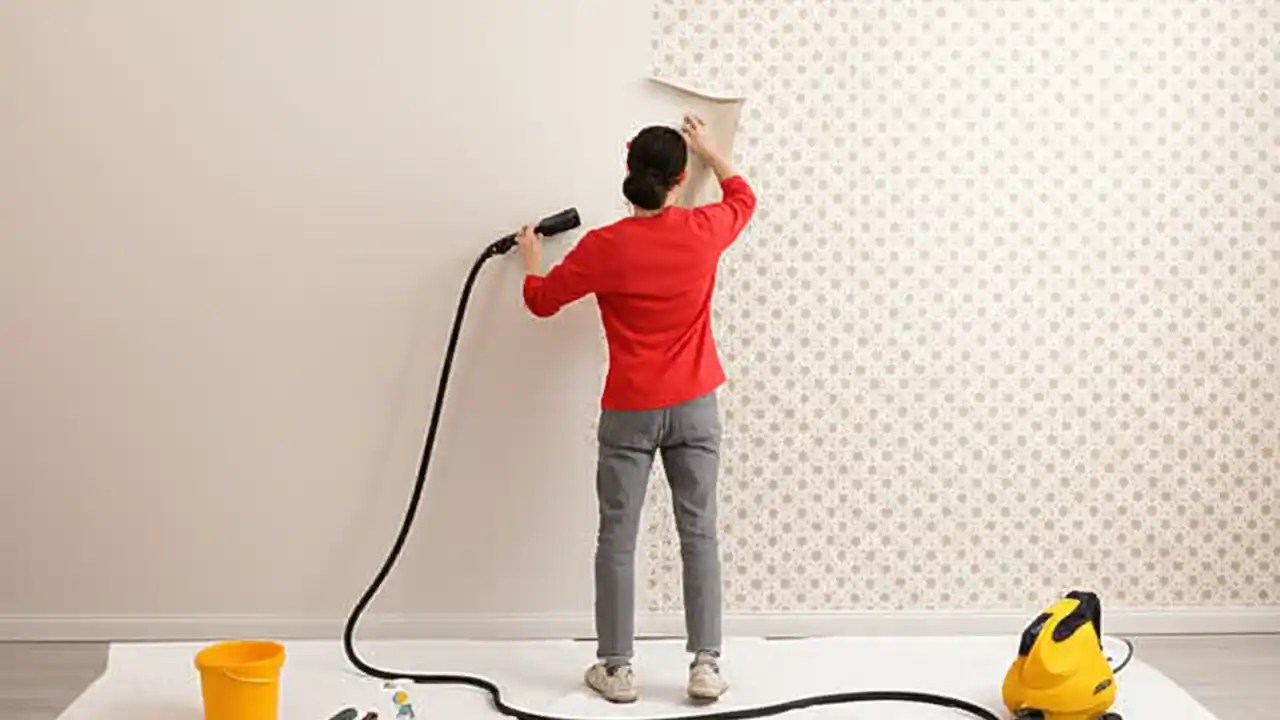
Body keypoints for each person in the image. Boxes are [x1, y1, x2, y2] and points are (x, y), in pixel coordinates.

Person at [514, 112, 756, 704]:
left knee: (617, 538)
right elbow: (744, 196)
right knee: (698, 533)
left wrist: (530, 259)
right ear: (678, 181)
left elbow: (542, 302)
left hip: (629, 410)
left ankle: (617, 670)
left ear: (629, 172)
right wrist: (713, 151)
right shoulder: (704, 230)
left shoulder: (604, 247)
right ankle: (705, 666)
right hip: (695, 404)